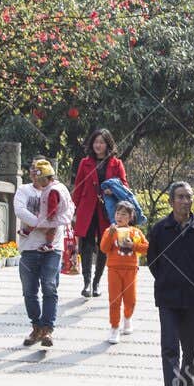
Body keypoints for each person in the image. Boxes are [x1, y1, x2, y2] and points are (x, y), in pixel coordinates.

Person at [146, 181, 194, 386]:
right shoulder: (159, 230)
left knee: (190, 347)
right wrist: (166, 278)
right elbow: (152, 262)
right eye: (181, 197)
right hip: (168, 297)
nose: (186, 201)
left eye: (189, 197)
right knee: (170, 347)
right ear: (171, 201)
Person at [14, 158, 74, 347]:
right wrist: (42, 224)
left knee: (49, 287)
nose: (34, 172)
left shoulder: (58, 190)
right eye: (32, 168)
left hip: (53, 247)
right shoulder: (24, 191)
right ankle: (36, 327)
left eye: (38, 169)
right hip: (29, 246)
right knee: (29, 291)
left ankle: (47, 329)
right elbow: (20, 211)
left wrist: (50, 224)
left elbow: (69, 209)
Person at [71, 128, 129, 299]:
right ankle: (87, 282)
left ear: (108, 144)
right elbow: (78, 186)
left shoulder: (116, 164)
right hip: (87, 208)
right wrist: (73, 210)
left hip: (107, 210)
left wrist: (114, 189)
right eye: (96, 142)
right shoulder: (85, 162)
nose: (98, 145)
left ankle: (97, 282)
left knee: (104, 245)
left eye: (102, 142)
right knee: (87, 245)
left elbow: (125, 186)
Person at [99, 200, 147, 344]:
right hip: (114, 269)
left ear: (130, 217)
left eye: (124, 214)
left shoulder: (136, 232)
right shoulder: (109, 231)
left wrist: (134, 245)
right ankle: (114, 327)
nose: (119, 216)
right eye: (118, 213)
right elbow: (104, 248)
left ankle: (127, 318)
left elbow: (146, 248)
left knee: (130, 299)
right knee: (114, 299)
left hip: (131, 270)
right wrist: (109, 235)